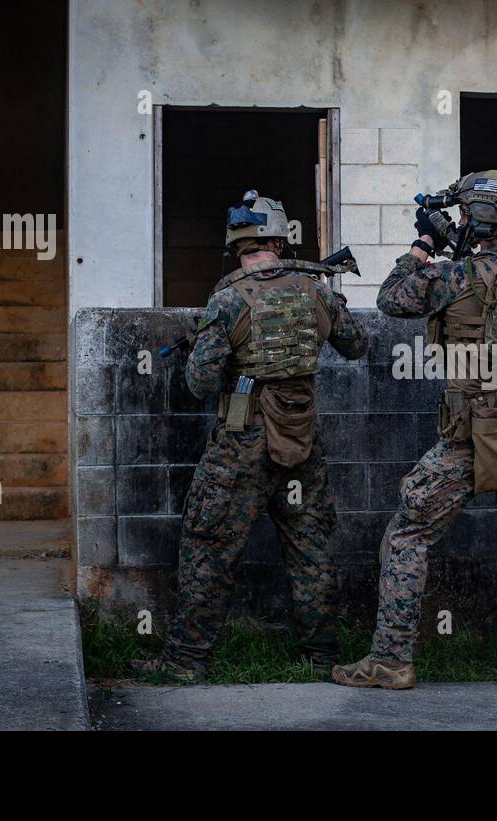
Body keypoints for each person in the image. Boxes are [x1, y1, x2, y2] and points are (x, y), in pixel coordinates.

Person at [332, 170, 497, 690]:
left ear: (473, 218)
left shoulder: (450, 278)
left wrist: (421, 244)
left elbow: (390, 297)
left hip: (467, 430)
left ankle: (391, 659)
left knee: (410, 531)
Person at [131, 191, 368, 681]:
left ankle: (186, 661)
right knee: (311, 546)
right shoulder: (316, 290)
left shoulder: (227, 299)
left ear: (235, 244)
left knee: (208, 544)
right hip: (301, 440)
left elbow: (198, 385)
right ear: (282, 238)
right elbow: (356, 345)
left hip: (241, 443)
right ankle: (320, 656)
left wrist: (207, 342)